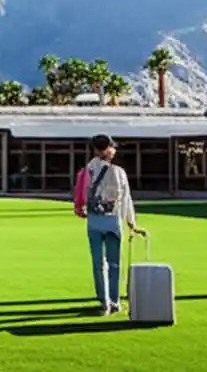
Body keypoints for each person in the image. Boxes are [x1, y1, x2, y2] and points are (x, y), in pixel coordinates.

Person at [73, 134, 144, 315]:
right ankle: (115, 301)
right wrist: (131, 222)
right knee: (115, 263)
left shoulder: (88, 170)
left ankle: (104, 302)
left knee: (98, 263)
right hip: (113, 220)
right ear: (108, 149)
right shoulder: (118, 172)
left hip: (94, 220)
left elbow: (81, 195)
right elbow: (126, 199)